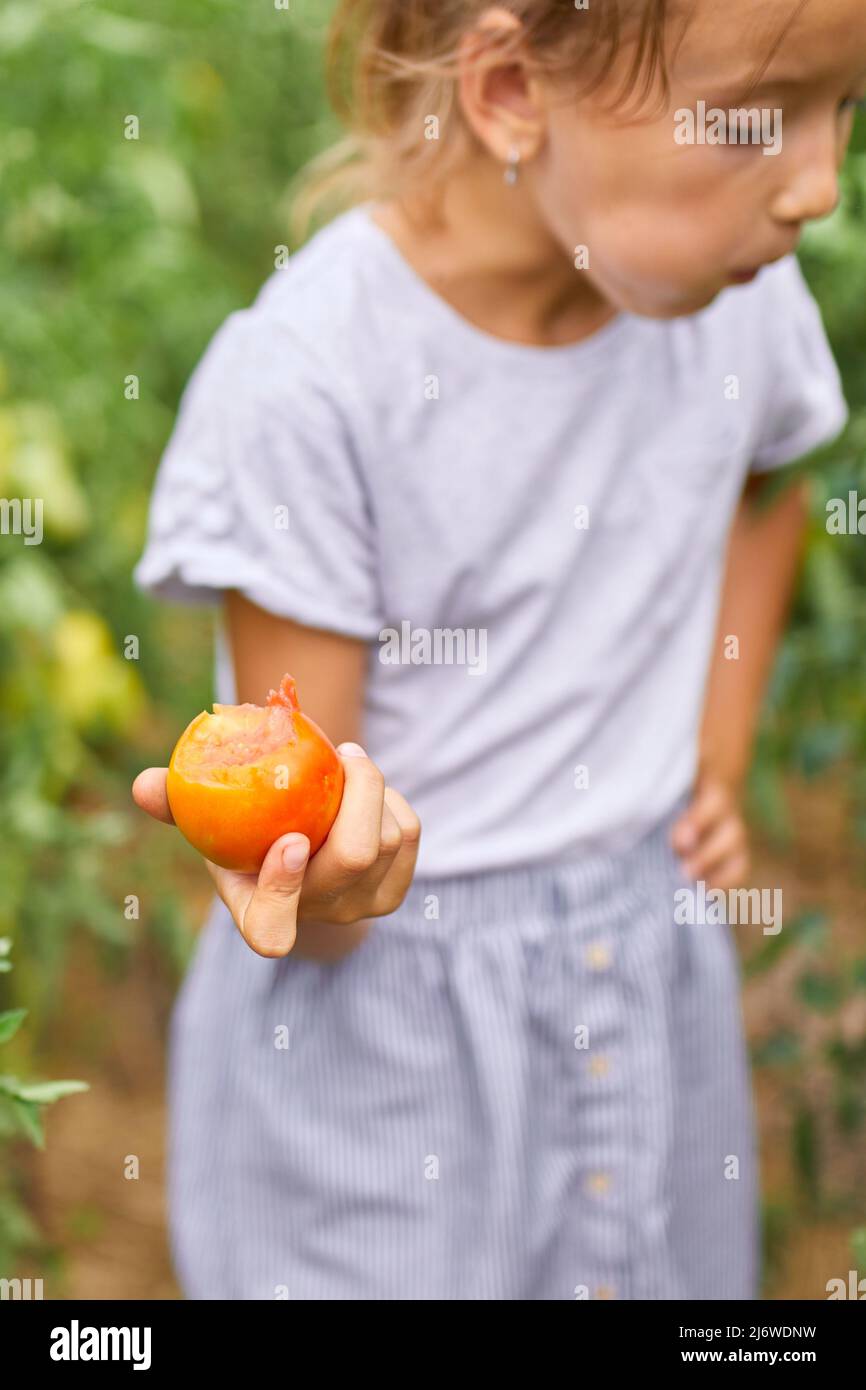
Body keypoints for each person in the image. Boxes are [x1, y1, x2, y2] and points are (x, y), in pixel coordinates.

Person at [132, 0, 858, 1299]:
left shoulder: (737, 298)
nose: (817, 186)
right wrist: (328, 885)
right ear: (512, 88)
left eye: (844, 112)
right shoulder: (311, 380)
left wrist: (717, 738)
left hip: (642, 971)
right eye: (761, 118)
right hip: (399, 1029)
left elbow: (769, 477)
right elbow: (299, 804)